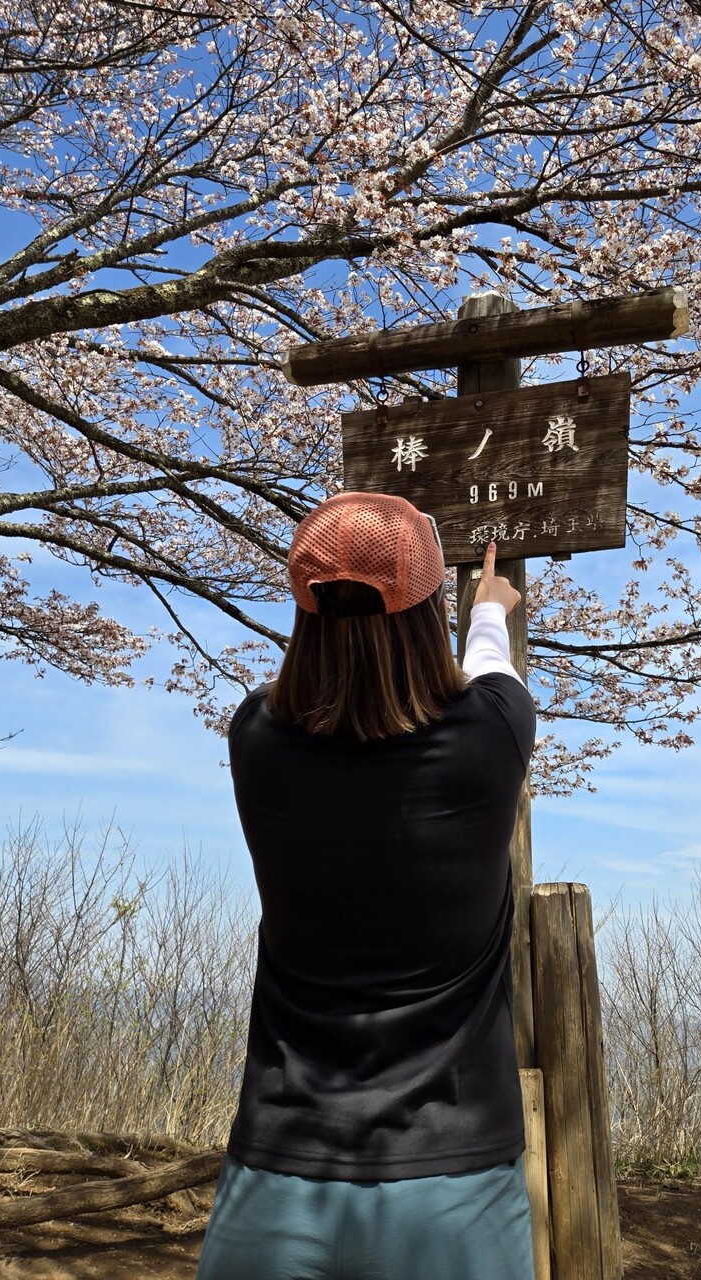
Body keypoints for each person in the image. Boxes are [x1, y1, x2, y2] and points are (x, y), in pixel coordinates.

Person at [196, 491, 537, 1280]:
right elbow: (493, 668)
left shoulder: (256, 742)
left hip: (276, 1177)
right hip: (454, 1190)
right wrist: (486, 607)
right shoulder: (489, 739)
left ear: (304, 613)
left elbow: (313, 696)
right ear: (426, 615)